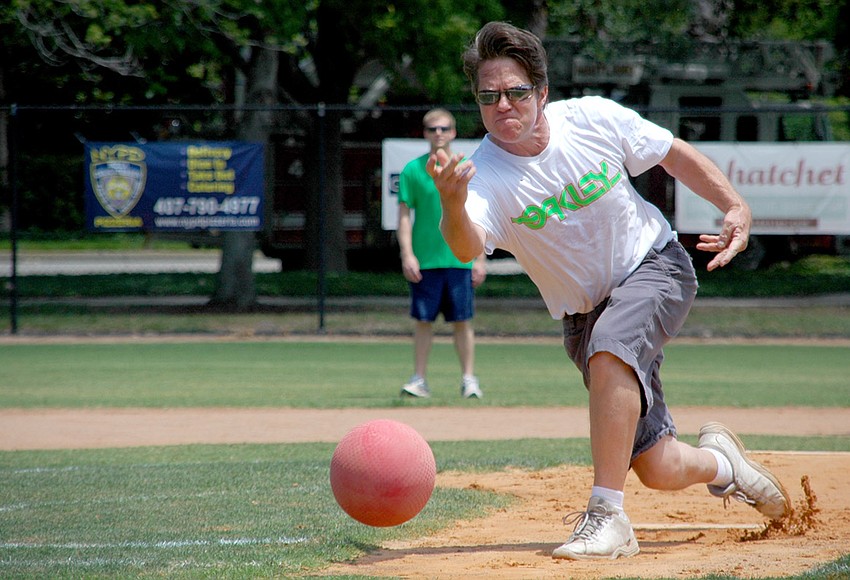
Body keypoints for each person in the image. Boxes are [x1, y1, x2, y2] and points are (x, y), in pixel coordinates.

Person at [427, 21, 790, 560]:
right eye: (488, 95)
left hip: (655, 267)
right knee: (658, 465)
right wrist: (452, 203)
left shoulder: (591, 118)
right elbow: (464, 247)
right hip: (585, 316)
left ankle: (607, 516)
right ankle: (725, 464)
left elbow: (671, 152)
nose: (502, 105)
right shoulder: (483, 173)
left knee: (610, 350)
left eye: (516, 91)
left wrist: (734, 204)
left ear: (542, 93)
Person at [397, 108, 487, 399]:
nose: (439, 133)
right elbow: (404, 217)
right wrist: (407, 254)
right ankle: (419, 379)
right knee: (423, 321)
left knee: (462, 321)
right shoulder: (413, 170)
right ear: (424, 133)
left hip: (461, 258)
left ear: (453, 132)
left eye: (444, 128)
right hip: (425, 260)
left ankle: (469, 380)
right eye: (433, 129)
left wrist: (480, 257)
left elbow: (478, 216)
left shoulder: (464, 169)